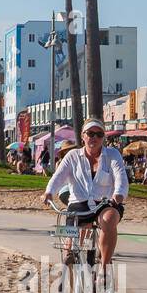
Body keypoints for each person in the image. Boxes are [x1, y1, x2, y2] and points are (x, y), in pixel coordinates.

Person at [42, 119, 129, 277]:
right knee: (70, 249)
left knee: (109, 220)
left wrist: (119, 194)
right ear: (83, 136)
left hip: (105, 203)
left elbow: (121, 177)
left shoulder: (112, 155)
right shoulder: (72, 156)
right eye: (90, 133)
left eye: (99, 134)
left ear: (103, 137)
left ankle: (104, 267)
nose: (94, 138)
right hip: (78, 204)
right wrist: (49, 191)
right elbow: (58, 176)